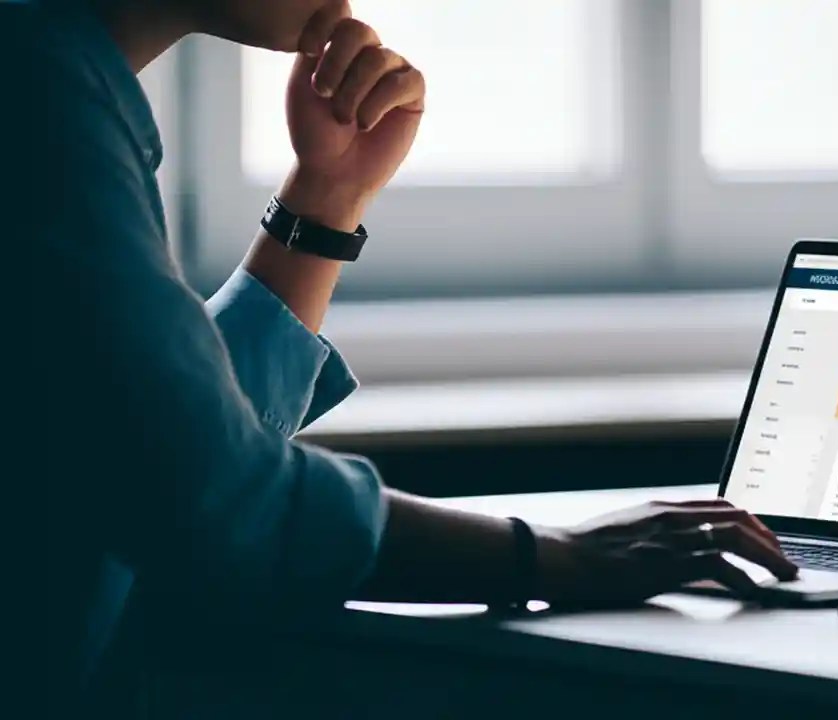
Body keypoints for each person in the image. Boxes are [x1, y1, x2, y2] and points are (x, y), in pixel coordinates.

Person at [10, 0, 797, 712]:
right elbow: (208, 497)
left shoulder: (55, 75)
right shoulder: (36, 96)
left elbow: (156, 437)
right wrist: (553, 557)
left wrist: (328, 195)